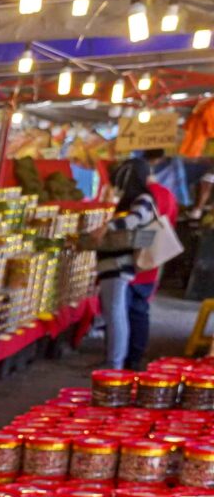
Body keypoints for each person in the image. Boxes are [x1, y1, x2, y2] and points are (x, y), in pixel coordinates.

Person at [98, 157, 161, 372]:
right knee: (116, 313)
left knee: (116, 314)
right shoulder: (138, 198)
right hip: (116, 263)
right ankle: (115, 361)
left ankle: (115, 364)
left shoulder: (142, 199)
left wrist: (108, 227)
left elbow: (135, 220)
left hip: (119, 263)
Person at [128, 151, 180, 370]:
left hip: (141, 256)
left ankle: (131, 358)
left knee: (133, 308)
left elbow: (139, 225)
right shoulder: (167, 194)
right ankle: (136, 355)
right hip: (156, 256)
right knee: (141, 306)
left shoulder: (146, 195)